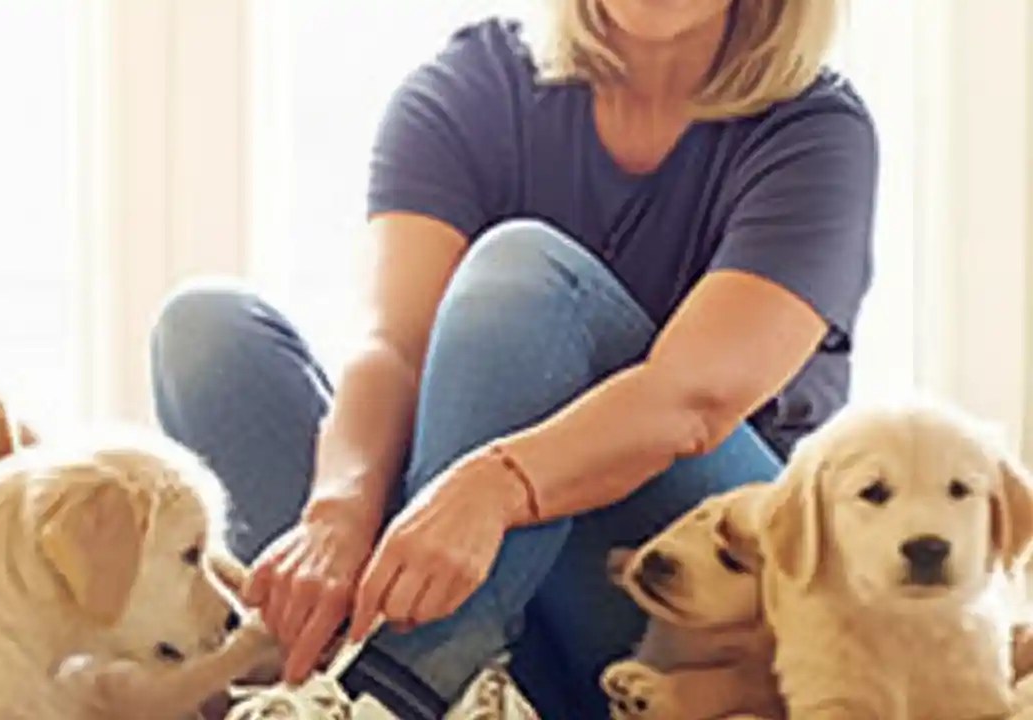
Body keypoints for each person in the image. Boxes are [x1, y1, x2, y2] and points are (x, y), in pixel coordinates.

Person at [151, 0, 876, 716]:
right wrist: (337, 512)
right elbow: (394, 349)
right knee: (207, 332)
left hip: (679, 591)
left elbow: (688, 403)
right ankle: (396, 682)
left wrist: (495, 487)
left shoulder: (814, 132)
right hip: (471, 573)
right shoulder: (476, 84)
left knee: (523, 272)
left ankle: (391, 690)